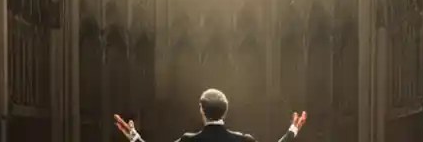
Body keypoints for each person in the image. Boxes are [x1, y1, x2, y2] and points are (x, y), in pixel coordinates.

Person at [114, 88, 307, 142]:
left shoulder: (188, 141)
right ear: (225, 111)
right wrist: (292, 130)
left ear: (201, 110)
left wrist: (134, 137)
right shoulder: (243, 141)